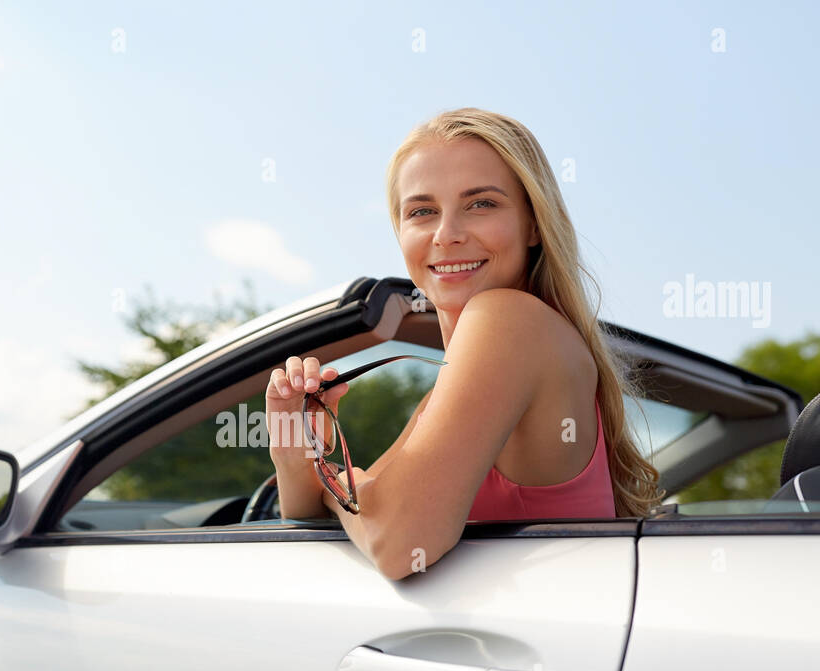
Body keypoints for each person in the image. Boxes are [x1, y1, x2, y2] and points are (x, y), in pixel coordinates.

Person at [265, 108, 662, 580]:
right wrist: (297, 455)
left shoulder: (508, 319)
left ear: (534, 225)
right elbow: (340, 520)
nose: (446, 235)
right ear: (401, 232)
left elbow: (396, 543)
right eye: (422, 211)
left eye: (481, 204)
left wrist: (335, 480)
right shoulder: (444, 395)